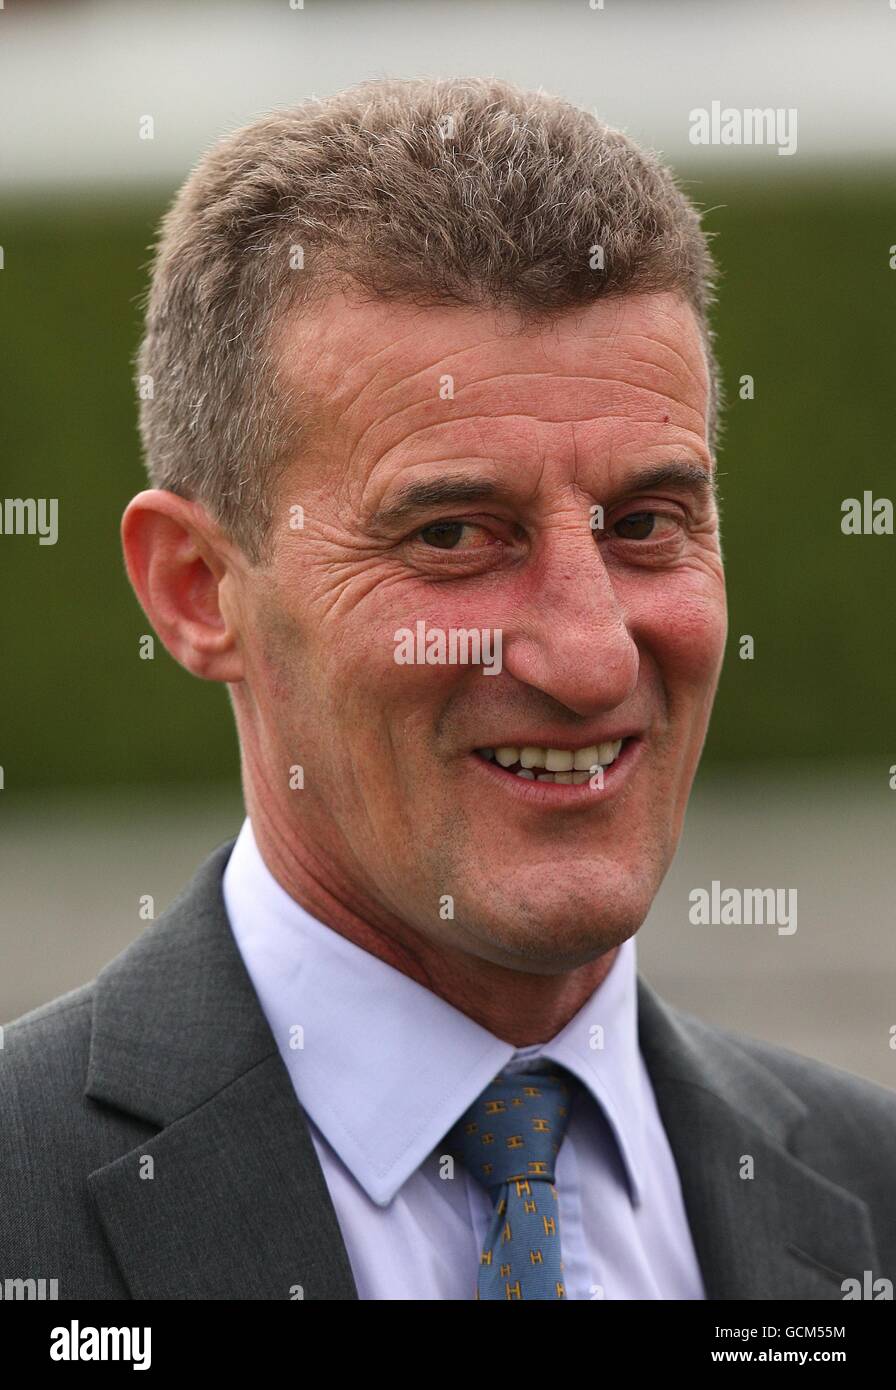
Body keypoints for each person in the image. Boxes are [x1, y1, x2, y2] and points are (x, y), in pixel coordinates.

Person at [1, 76, 894, 1302]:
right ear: (198, 591)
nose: (587, 658)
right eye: (453, 537)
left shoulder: (871, 1199)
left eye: (644, 522)